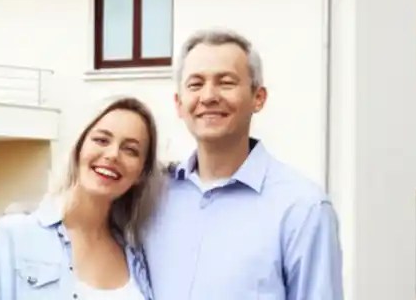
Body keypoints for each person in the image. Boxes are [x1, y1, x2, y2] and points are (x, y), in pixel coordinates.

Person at [142, 28, 344, 299]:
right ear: (179, 104)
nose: (209, 96)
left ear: (258, 98)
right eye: (195, 84)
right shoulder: (151, 198)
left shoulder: (302, 208)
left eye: (226, 82)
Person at [0, 97, 162, 300]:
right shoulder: (11, 237)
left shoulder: (138, 258)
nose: (112, 155)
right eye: (101, 140)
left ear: (141, 174)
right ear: (79, 148)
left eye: (130, 150)